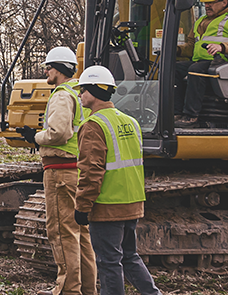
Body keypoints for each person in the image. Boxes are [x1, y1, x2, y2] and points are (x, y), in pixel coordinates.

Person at [73, 65, 161, 295]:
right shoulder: (131, 122)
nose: (80, 94)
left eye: (82, 89)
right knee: (130, 257)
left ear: (94, 91)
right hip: (132, 202)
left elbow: (91, 172)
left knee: (109, 262)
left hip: (107, 205)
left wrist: (82, 206)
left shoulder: (93, 126)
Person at [16, 47, 96, 295]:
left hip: (60, 172)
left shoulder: (61, 95)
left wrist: (35, 137)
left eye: (48, 67)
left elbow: (59, 133)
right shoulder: (77, 93)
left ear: (59, 69)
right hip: (76, 170)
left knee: (62, 232)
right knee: (81, 235)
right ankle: (87, 289)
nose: (45, 71)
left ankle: (68, 290)